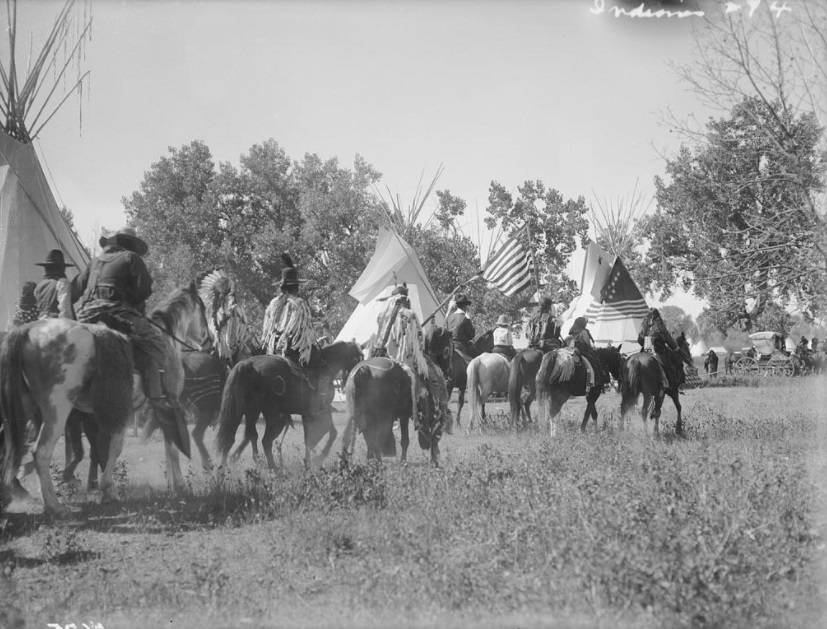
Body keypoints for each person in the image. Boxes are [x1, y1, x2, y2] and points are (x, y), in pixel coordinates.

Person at [74, 226, 172, 409]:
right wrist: (132, 303)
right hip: (118, 313)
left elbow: (76, 289)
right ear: (131, 245)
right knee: (158, 343)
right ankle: (156, 396)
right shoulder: (131, 257)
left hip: (86, 316)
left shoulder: (94, 262)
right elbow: (145, 289)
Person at [261, 253, 327, 403]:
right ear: (296, 287)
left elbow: (267, 328)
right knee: (317, 358)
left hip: (273, 347)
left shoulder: (273, 303)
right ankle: (316, 394)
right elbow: (304, 330)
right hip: (292, 347)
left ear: (282, 287)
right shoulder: (299, 303)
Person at [637, 307, 682, 389]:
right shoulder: (659, 324)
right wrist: (675, 347)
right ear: (657, 315)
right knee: (669, 365)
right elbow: (667, 338)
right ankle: (667, 382)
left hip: (646, 348)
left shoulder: (644, 325)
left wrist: (646, 341)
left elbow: (639, 340)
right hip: (658, 349)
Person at [34, 249, 76, 319]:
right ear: (61, 268)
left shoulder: (39, 285)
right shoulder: (62, 283)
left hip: (41, 321)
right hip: (56, 322)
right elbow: (65, 309)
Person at [565, 316, 597, 391]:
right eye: (585, 323)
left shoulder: (572, 331)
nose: (586, 324)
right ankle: (591, 382)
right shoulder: (584, 332)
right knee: (592, 363)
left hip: (571, 349)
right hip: (581, 351)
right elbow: (587, 344)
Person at [446, 293, 476, 359]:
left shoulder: (449, 317)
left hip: (449, 345)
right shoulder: (465, 319)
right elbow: (471, 335)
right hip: (460, 347)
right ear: (465, 306)